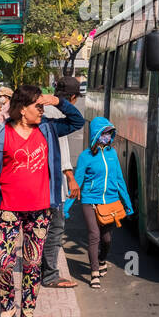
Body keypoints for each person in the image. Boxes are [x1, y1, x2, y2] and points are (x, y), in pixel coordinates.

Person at [0, 85, 83, 317]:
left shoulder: (48, 130)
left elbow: (77, 121)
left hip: (40, 211)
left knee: (32, 265)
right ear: (22, 110)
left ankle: (27, 316)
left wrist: (56, 100)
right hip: (8, 209)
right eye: (38, 106)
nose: (42, 111)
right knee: (2, 263)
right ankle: (7, 308)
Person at [64, 117, 134, 289]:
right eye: (105, 133)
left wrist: (128, 205)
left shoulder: (112, 154)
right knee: (94, 235)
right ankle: (94, 272)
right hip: (89, 201)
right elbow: (77, 183)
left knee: (107, 238)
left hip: (110, 202)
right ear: (97, 135)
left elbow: (119, 181)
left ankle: (102, 260)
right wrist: (66, 208)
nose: (108, 136)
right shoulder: (85, 157)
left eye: (110, 133)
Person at [40, 76, 85, 289]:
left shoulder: (46, 113)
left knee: (43, 227)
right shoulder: (55, 115)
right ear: (73, 97)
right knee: (55, 228)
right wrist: (71, 178)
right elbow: (62, 154)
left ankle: (42, 268)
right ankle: (49, 274)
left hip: (43, 181)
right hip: (51, 183)